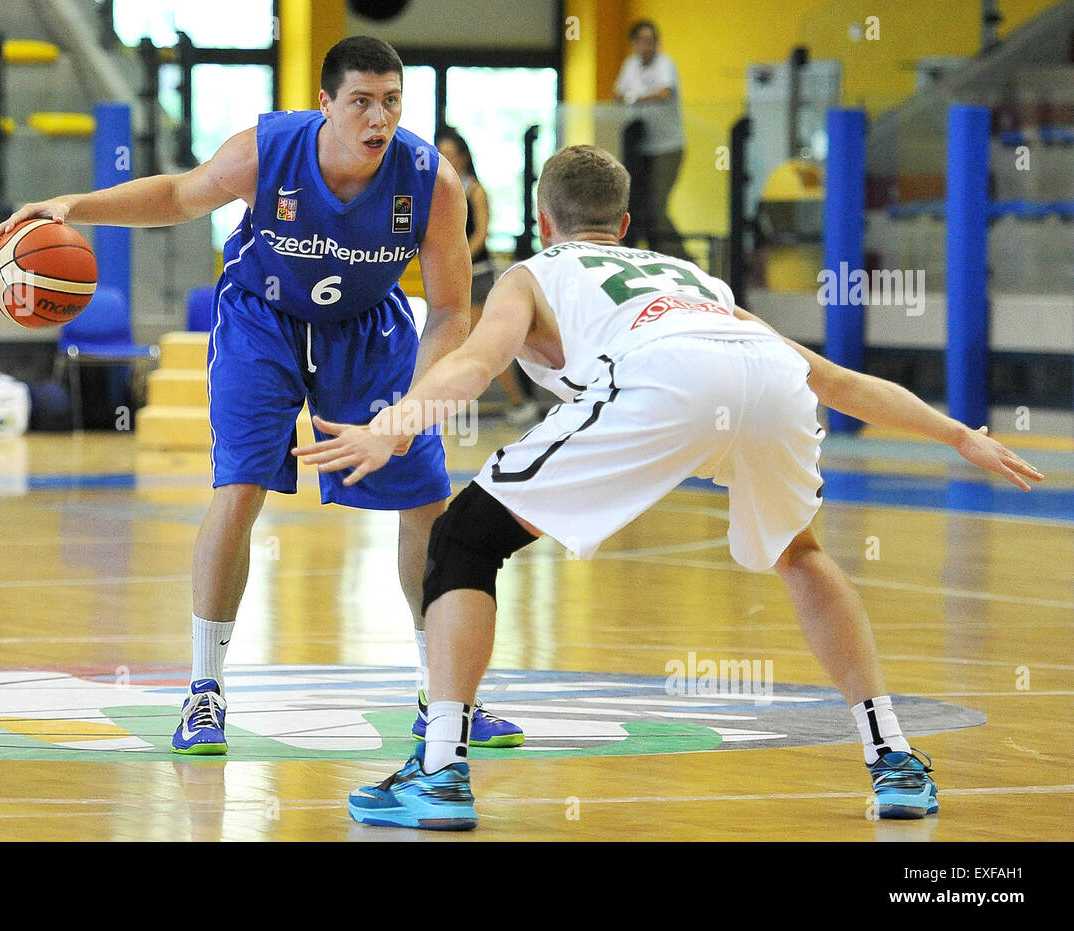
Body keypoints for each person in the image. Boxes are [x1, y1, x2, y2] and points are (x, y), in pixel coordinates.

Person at [293, 145, 1045, 830]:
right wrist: (956, 433)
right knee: (801, 553)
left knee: (462, 539)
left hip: (661, 379)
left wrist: (397, 420)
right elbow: (834, 379)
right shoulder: (695, 278)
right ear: (623, 223)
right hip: (766, 379)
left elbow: (477, 363)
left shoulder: (533, 272)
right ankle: (895, 758)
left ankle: (439, 771)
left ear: (541, 218)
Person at [0, 36, 524, 754]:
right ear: (325, 104)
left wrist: (418, 402)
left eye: (392, 102)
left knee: (426, 504)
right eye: (361, 101)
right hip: (260, 318)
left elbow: (451, 310)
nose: (378, 118)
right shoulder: (267, 151)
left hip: (369, 330)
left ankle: (445, 695)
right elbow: (180, 194)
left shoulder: (430, 182)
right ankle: (204, 691)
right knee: (239, 490)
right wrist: (74, 204)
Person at [434, 127, 538, 427]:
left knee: (483, 343)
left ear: (464, 157)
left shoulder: (474, 190)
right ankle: (445, 405)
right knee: (450, 341)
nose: (447, 159)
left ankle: (520, 402)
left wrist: (457, 258)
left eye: (452, 154)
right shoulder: (437, 189)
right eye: (442, 154)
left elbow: (481, 232)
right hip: (447, 276)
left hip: (476, 275)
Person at [613, 19, 692, 261]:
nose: (648, 46)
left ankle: (683, 261)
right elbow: (617, 94)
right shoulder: (630, 65)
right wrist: (634, 98)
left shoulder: (665, 64)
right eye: (643, 41)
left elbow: (664, 92)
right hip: (642, 149)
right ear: (634, 43)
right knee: (639, 208)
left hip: (668, 147)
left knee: (657, 207)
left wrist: (635, 98)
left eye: (652, 41)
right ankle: (652, 259)